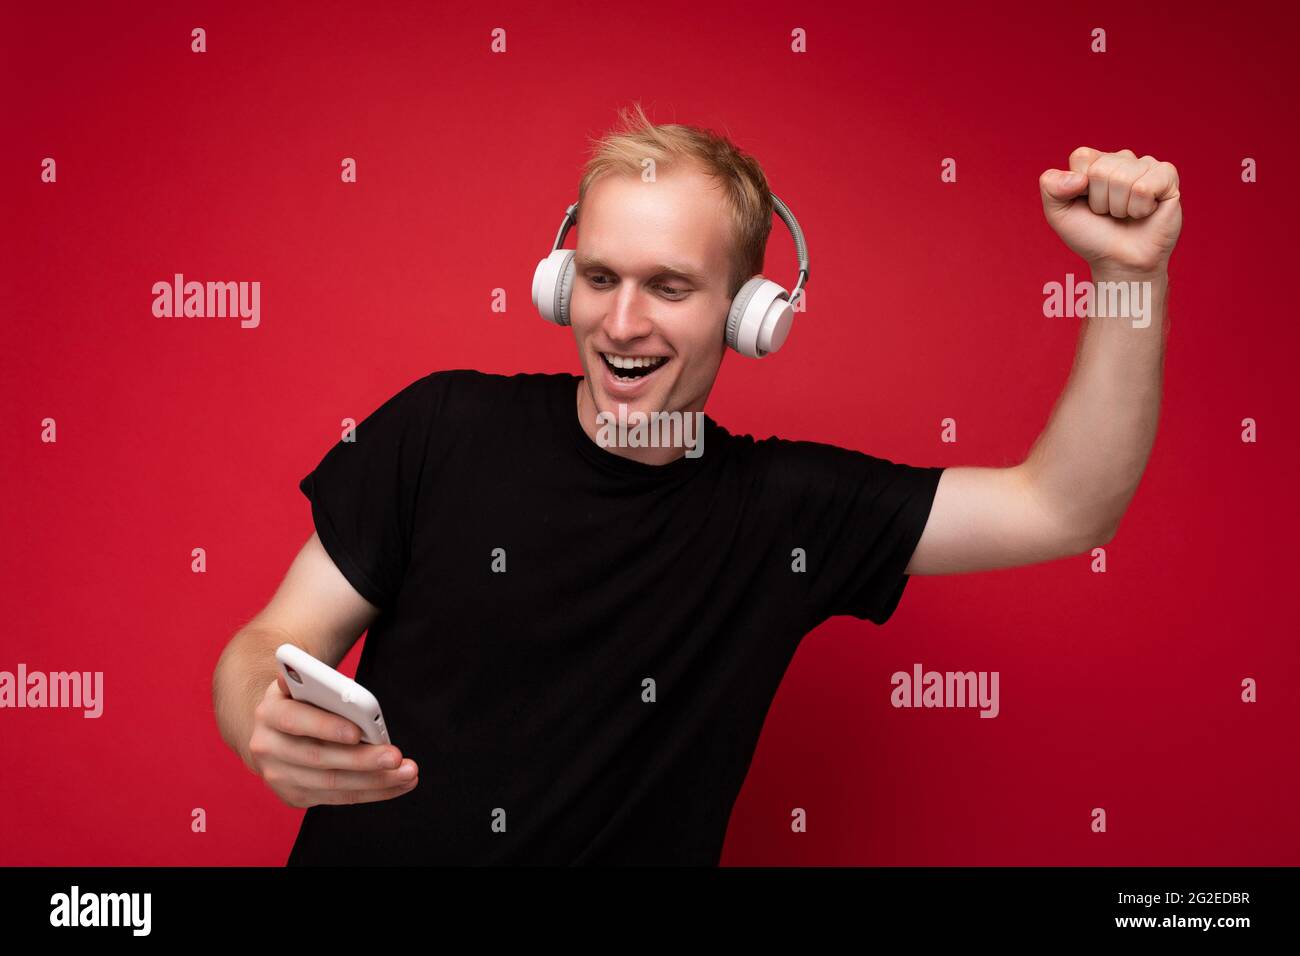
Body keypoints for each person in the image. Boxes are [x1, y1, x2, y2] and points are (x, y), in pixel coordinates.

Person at [212, 103, 1181, 865]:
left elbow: (1066, 503)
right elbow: (266, 639)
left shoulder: (783, 514)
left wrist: (1128, 276)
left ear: (754, 313)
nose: (621, 322)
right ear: (560, 284)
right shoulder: (442, 424)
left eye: (669, 287)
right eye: (598, 278)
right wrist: (267, 717)